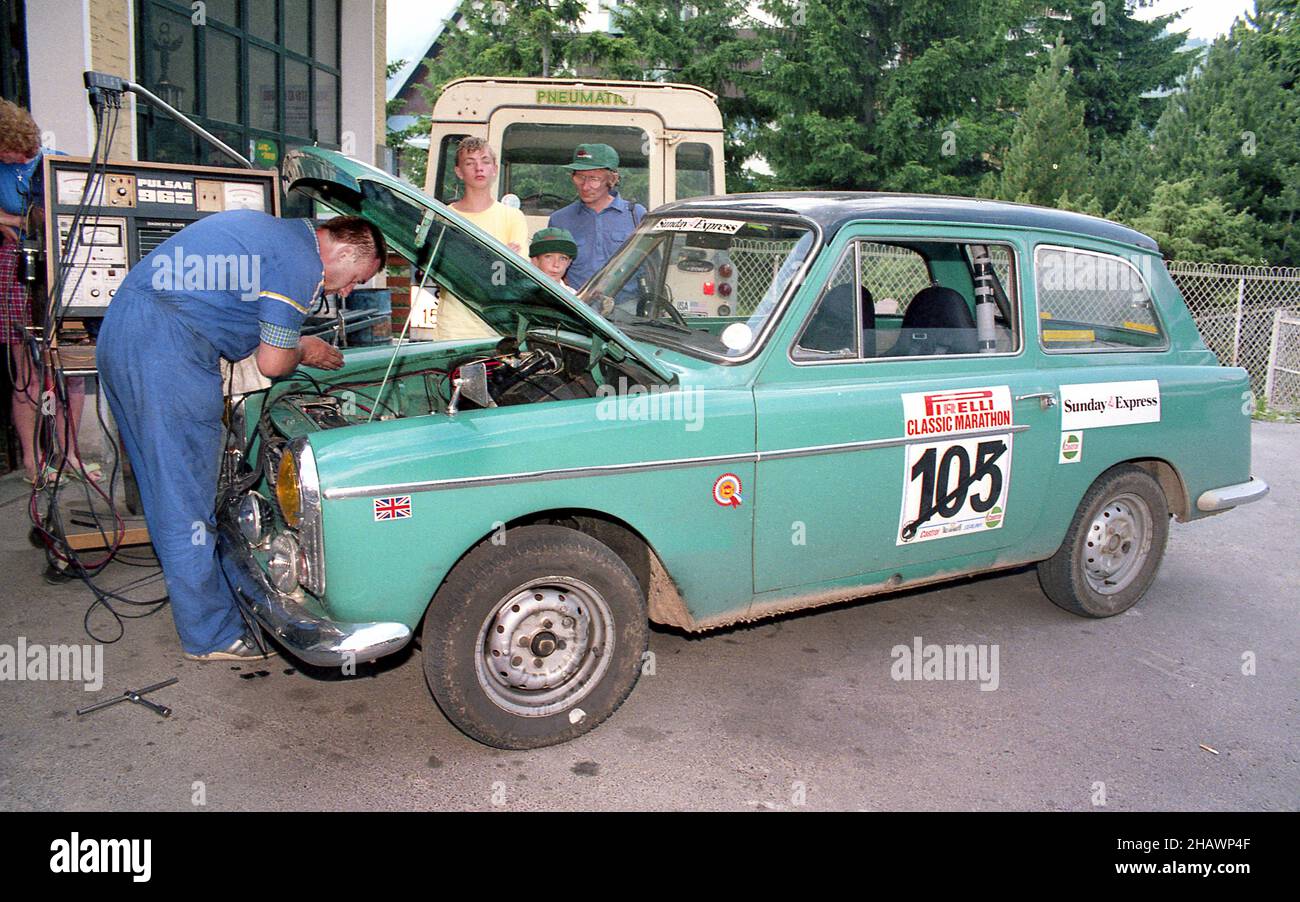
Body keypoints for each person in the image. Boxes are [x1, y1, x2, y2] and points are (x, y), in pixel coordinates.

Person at [97, 211, 385, 661]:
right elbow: (272, 363)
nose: (347, 291)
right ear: (345, 251)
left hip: (135, 331)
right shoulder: (300, 262)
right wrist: (305, 348)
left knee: (167, 483)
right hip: (165, 348)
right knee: (183, 493)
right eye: (354, 279)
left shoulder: (276, 235)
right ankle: (211, 636)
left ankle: (208, 601)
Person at [0, 98, 90, 485]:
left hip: (62, 267)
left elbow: (67, 216)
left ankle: (69, 452)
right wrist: (22, 222)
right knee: (26, 372)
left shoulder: (56, 163)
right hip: (16, 269)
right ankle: (33, 460)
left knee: (72, 368)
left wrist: (12, 220)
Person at [547, 143, 645, 291]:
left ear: (612, 179)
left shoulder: (636, 215)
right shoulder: (560, 220)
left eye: (594, 179)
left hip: (628, 308)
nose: (585, 186)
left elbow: (652, 268)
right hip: (578, 307)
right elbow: (551, 271)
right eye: (580, 177)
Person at [447, 137, 527, 254]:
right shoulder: (445, 216)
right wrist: (500, 255)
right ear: (459, 172)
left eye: (485, 162)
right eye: (470, 163)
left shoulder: (513, 217)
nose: (479, 168)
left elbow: (516, 269)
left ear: (495, 169)